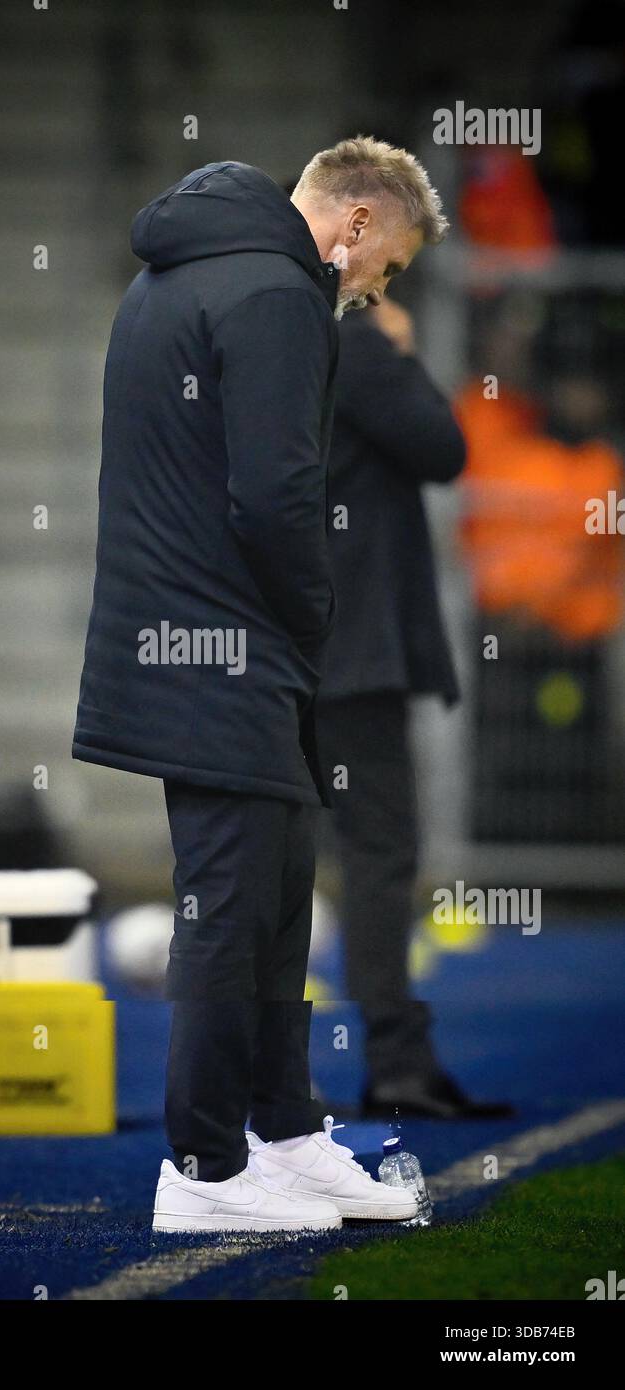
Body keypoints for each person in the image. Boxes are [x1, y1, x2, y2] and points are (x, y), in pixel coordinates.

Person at [73, 138, 448, 1232]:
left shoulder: (183, 268)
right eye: (386, 268)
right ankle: (200, 1164)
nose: (375, 291)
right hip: (223, 642)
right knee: (231, 904)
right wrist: (313, 619)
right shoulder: (278, 292)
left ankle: (281, 1134)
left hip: (195, 634)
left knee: (278, 892)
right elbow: (276, 498)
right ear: (356, 225)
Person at [314, 299, 513, 1118]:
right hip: (353, 655)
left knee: (293, 858)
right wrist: (395, 346)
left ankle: (263, 1079)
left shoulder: (272, 343)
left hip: (297, 645)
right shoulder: (355, 343)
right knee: (381, 852)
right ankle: (396, 1060)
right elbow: (445, 447)